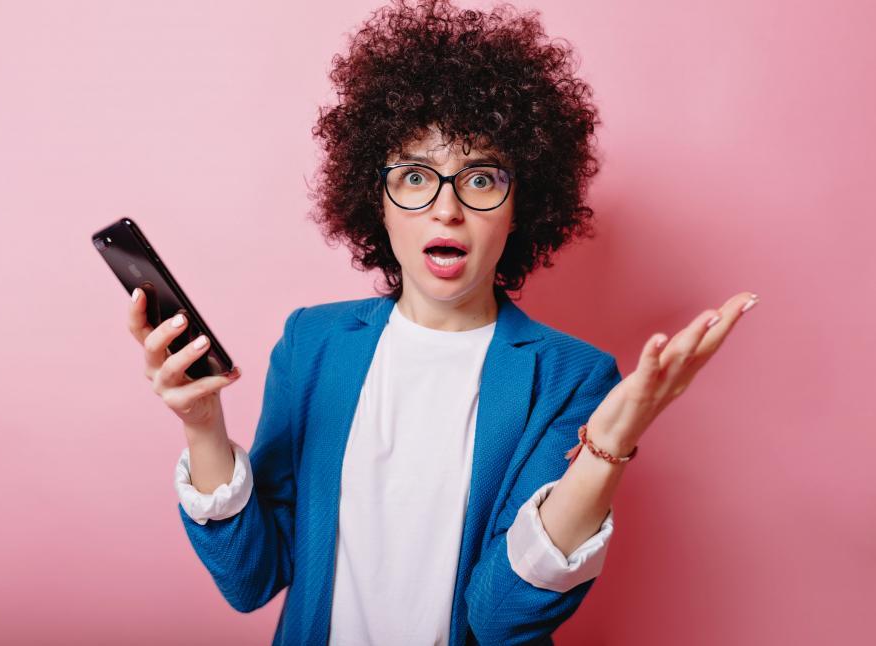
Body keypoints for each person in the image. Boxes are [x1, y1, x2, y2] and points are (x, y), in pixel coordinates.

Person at [125, 1, 760, 644]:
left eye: (480, 179)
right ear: (377, 200)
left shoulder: (571, 378)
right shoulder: (311, 345)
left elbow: (502, 619)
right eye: (414, 176)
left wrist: (608, 447)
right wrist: (203, 426)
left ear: (520, 206)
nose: (446, 209)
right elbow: (251, 579)